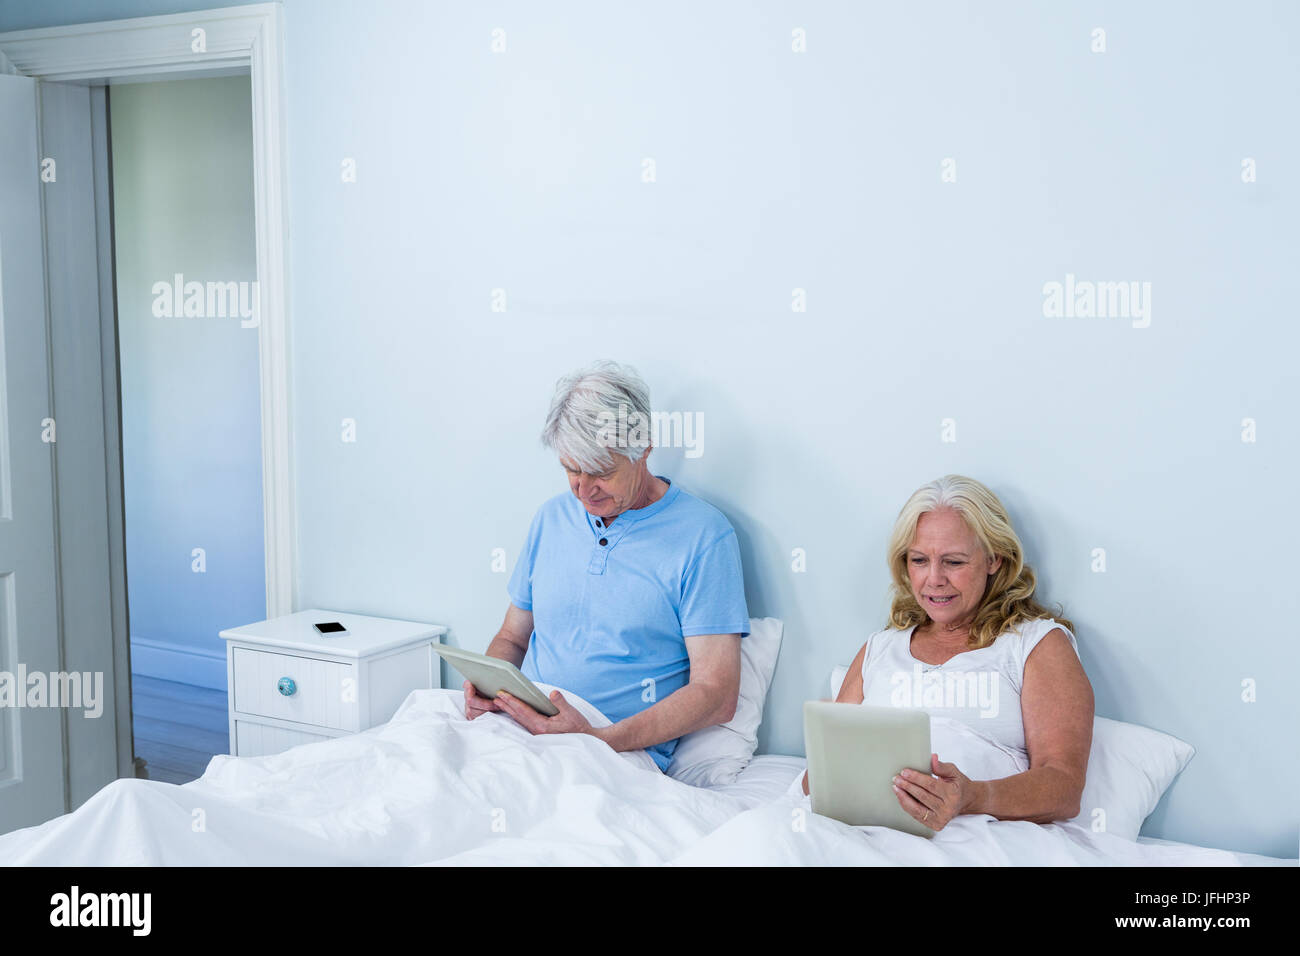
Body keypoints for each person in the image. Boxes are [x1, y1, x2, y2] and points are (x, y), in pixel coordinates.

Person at [465, 361, 750, 772]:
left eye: (601, 473)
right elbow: (512, 638)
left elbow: (716, 692)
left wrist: (595, 741)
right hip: (519, 729)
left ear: (644, 448)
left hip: (614, 752)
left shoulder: (704, 537)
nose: (583, 489)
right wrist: (489, 687)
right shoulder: (551, 518)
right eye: (570, 469)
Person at [801, 474, 1094, 831]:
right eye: (919, 560)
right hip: (858, 826)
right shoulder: (881, 647)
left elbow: (1064, 788)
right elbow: (816, 774)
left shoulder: (1035, 644)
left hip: (967, 833)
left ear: (994, 559)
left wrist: (971, 797)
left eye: (954, 562)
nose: (934, 578)